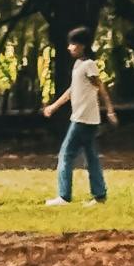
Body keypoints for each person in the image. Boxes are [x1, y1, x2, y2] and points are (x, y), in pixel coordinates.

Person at [46, 35, 109, 208]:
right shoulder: (78, 65)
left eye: (73, 44)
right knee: (91, 157)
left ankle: (64, 196)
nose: (69, 47)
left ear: (82, 45)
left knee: (65, 155)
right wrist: (54, 106)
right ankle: (100, 195)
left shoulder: (89, 65)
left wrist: (110, 109)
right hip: (85, 118)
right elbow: (72, 90)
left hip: (83, 119)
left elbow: (100, 87)